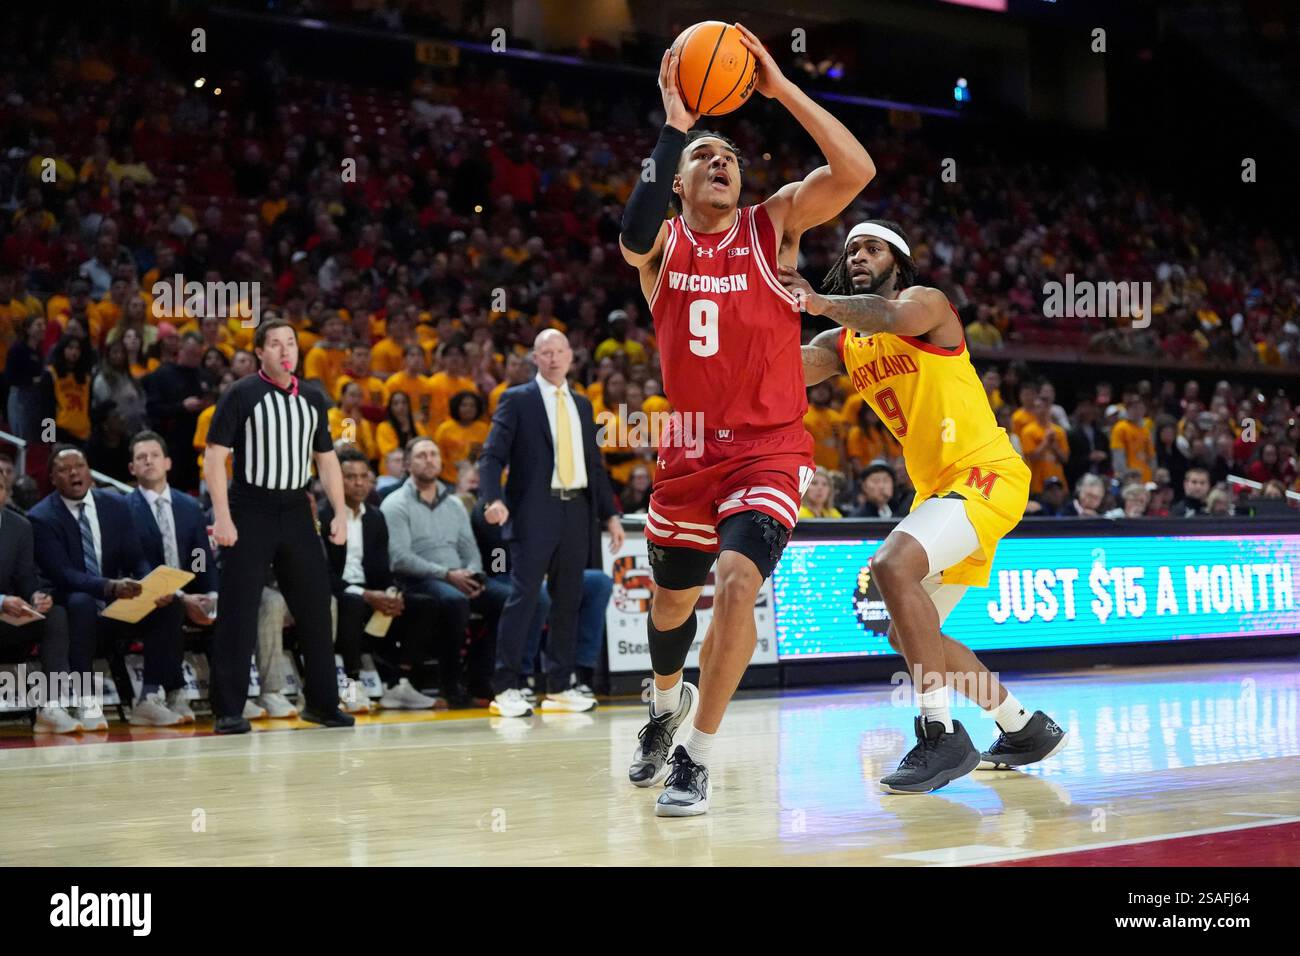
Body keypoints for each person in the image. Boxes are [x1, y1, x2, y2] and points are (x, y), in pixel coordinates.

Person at [617, 25, 873, 815]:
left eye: (730, 155)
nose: (721, 161)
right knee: (669, 604)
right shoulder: (660, 247)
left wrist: (779, 86)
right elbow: (632, 231)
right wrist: (674, 127)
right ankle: (663, 707)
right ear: (679, 181)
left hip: (770, 449)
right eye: (706, 157)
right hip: (688, 452)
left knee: (736, 582)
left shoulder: (775, 227)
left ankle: (698, 753)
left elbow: (856, 170)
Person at [790, 218, 1066, 794]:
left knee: (893, 566)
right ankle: (1022, 727)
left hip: (985, 474)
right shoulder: (842, 342)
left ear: (899, 261)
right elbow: (788, 370)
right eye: (852, 250)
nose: (859, 255)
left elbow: (888, 317)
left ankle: (939, 732)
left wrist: (814, 299)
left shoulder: (926, 304)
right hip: (940, 491)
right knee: (909, 631)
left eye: (872, 248)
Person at [204, 319, 354, 734]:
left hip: (296, 508)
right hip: (249, 507)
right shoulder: (241, 393)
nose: (286, 350)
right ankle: (229, 709)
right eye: (275, 344)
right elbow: (215, 456)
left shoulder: (312, 396)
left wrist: (339, 511)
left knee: (316, 607)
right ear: (259, 352)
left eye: (291, 343)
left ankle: (322, 703)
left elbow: (326, 458)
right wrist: (222, 517)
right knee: (239, 608)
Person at [479, 330, 621, 717]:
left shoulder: (581, 403)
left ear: (571, 356)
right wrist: (492, 498)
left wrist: (610, 514)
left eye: (560, 351)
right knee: (524, 596)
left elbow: (595, 464)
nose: (554, 358)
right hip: (534, 510)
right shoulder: (517, 399)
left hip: (576, 509)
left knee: (569, 599)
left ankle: (559, 684)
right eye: (546, 352)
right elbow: (491, 455)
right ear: (535, 359)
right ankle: (506, 685)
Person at [29, 446, 186, 729]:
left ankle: (150, 697)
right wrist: (109, 587)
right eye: (64, 469)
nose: (74, 472)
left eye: (80, 466)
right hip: (74, 605)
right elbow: (63, 574)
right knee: (80, 601)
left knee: (169, 604)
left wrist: (149, 585)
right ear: (52, 478)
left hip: (116, 604)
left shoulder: (116, 505)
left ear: (89, 471)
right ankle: (83, 698)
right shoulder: (41, 517)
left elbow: (135, 557)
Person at [383, 437, 504, 703]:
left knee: (508, 600)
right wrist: (448, 575)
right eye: (421, 455)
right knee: (454, 600)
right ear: (407, 464)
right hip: (417, 579)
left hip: (459, 577)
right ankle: (450, 685)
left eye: (434, 454)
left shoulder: (455, 505)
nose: (429, 460)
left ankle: (481, 676)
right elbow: (399, 558)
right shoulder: (395, 504)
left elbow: (470, 549)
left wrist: (473, 573)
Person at [319, 447, 441, 710]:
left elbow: (382, 570)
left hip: (370, 590)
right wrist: (365, 595)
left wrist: (390, 593)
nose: (359, 483)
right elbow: (322, 574)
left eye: (364, 476)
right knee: (352, 603)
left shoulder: (375, 517)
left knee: (423, 605)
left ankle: (400, 684)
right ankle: (351, 687)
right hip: (336, 591)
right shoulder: (321, 516)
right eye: (351, 477)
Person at [125, 430, 219, 723]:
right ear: (132, 468)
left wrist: (211, 597)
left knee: (227, 610)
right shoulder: (123, 509)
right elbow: (133, 564)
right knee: (168, 604)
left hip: (189, 595)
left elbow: (201, 561)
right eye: (141, 458)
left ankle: (228, 696)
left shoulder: (190, 507)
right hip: (142, 596)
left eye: (154, 456)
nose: (148, 461)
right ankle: (168, 693)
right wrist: (182, 596)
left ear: (168, 462)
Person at [0, 474, 76, 733]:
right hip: (2, 608)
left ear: (6, 492)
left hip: (7, 620)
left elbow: (25, 577)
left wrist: (36, 597)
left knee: (55, 615)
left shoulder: (19, 526)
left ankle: (52, 705)